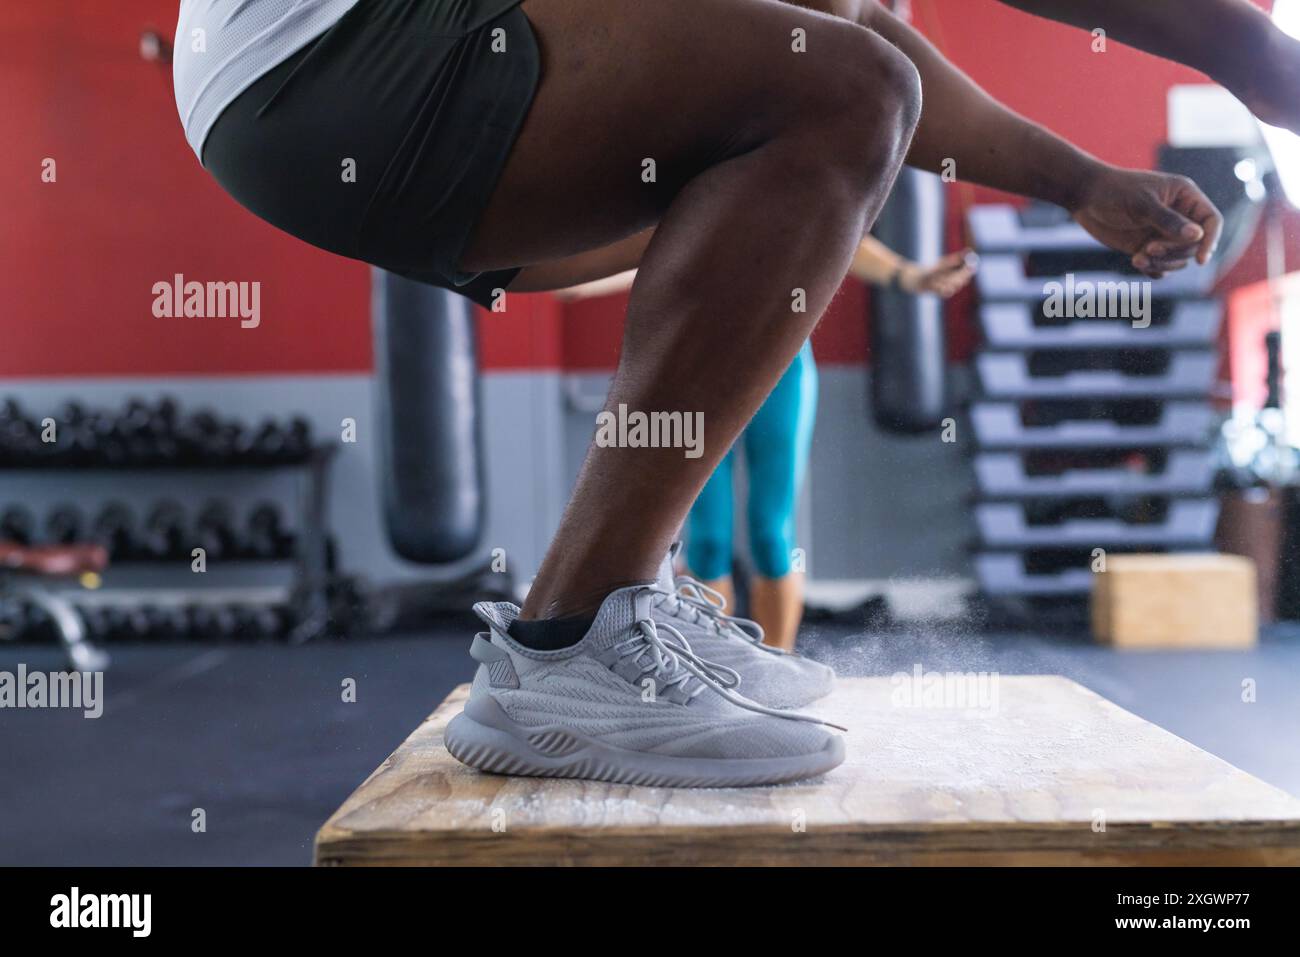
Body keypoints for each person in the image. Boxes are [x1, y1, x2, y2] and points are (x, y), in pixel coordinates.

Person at [175, 0, 1294, 787]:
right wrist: (1246, 43)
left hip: (335, 96)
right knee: (845, 92)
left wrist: (1079, 181)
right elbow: (861, 68)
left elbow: (850, 25)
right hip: (348, 59)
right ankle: (570, 646)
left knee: (825, 59)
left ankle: (628, 603)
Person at [558, 239, 976, 652]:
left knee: (771, 531)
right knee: (707, 539)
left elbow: (843, 236)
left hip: (780, 371)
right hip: (696, 377)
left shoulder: (787, 186)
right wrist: (574, 273)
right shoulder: (694, 193)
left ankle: (779, 665)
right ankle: (709, 662)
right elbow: (655, 254)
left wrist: (911, 276)